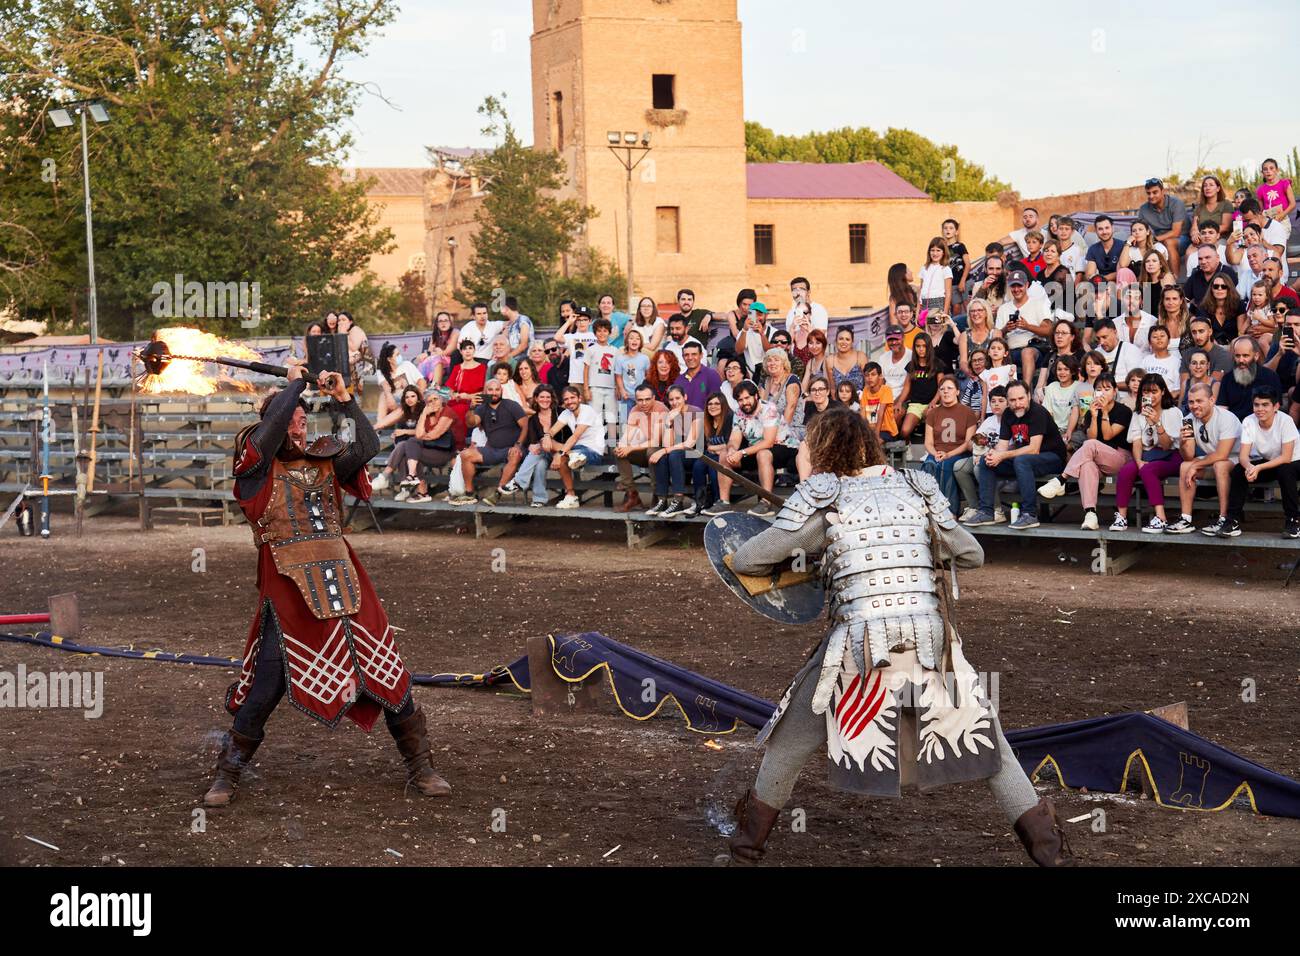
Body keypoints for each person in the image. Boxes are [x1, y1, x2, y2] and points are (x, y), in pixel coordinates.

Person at [724, 407, 1070, 867]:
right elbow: (972, 554)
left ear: (825, 448)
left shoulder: (825, 498)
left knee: (789, 742)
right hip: (932, 640)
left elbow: (748, 559)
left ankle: (746, 851)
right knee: (989, 742)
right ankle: (1051, 854)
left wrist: (808, 552)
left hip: (859, 646)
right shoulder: (917, 486)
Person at [207, 367, 450, 807]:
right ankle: (227, 773)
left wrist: (343, 398)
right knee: (268, 682)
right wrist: (295, 382)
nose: (300, 424)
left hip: (344, 578)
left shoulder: (323, 460)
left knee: (387, 671)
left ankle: (422, 767)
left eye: (304, 419)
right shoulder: (255, 466)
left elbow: (369, 446)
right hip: (288, 588)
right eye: (293, 419)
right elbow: (271, 430)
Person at [964, 380, 1067, 530]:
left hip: (1052, 458)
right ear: (1008, 400)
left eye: (1021, 399)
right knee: (986, 462)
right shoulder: (1008, 414)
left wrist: (1003, 455)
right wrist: (993, 455)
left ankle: (1029, 514)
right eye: (1012, 400)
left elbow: (1034, 449)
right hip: (1024, 460)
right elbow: (1003, 445)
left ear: (1029, 396)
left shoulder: (1038, 412)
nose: (1017, 403)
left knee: (1021, 461)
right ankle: (987, 511)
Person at [1037, 374, 1133, 530]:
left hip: (1120, 458)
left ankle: (1061, 479)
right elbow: (1092, 436)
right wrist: (1094, 416)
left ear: (1115, 391)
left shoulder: (1123, 411)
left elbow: (1108, 435)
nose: (1103, 393)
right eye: (1099, 389)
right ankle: (1090, 514)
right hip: (1097, 459)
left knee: (1091, 445)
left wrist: (1106, 413)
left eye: (1107, 389)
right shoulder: (1091, 412)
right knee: (1087, 465)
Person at [707, 381, 798, 517]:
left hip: (784, 447)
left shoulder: (769, 409)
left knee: (763, 454)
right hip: (755, 449)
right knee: (725, 454)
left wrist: (742, 452)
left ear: (755, 396)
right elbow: (734, 439)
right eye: (740, 400)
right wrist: (732, 450)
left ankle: (766, 502)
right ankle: (724, 502)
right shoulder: (739, 413)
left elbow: (768, 442)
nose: (744, 403)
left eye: (747, 398)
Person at [1220, 387, 1300, 538]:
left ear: (1275, 406)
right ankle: (1232, 521)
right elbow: (1243, 456)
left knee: (1285, 470)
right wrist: (1250, 467)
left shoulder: (1285, 420)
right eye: (1256, 405)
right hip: (1271, 462)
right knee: (1239, 471)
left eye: (1265, 405)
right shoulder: (1249, 421)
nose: (1260, 409)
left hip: (1295, 461)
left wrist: (1258, 467)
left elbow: (1286, 457)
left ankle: (1292, 521)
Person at [1109, 374, 1184, 533]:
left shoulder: (1173, 412)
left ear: (1163, 391)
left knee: (1147, 470)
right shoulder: (1138, 414)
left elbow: (1167, 446)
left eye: (1154, 392)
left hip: (1171, 456)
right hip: (1147, 455)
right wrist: (1138, 461)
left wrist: (1156, 422)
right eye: (1146, 392)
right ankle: (1121, 516)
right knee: (1127, 470)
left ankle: (1161, 517)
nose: (1150, 396)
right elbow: (1136, 442)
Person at [1164, 382, 1241, 535]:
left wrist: (1196, 466)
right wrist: (1183, 442)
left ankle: (1224, 518)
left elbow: (1222, 454)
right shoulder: (1188, 420)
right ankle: (1186, 519)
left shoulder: (1227, 418)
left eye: (1200, 401)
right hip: (1212, 459)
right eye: (1191, 401)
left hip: (1238, 460)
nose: (1194, 406)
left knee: (1219, 464)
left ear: (1212, 400)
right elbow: (1188, 456)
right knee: (1185, 465)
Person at [451, 378, 528, 506]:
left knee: (515, 454)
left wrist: (518, 444)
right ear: (485, 392)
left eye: (497, 389)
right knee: (465, 455)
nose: (494, 392)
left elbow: (525, 426)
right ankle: (470, 494)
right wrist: (471, 408)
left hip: (512, 448)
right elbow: (471, 423)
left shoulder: (511, 405)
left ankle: (498, 493)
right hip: (492, 449)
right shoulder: (482, 408)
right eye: (490, 390)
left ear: (501, 390)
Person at [540, 386, 607, 510]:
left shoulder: (587, 411)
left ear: (579, 398)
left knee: (562, 458)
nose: (569, 401)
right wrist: (547, 436)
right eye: (566, 399)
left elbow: (575, 436)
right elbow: (553, 429)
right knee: (545, 441)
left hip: (593, 451)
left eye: (572, 398)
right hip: (577, 448)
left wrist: (559, 454)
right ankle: (574, 457)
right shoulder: (566, 413)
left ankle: (570, 495)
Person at [645, 385, 702, 519]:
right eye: (671, 399)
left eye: (678, 398)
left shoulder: (695, 412)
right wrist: (668, 423)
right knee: (663, 457)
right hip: (678, 454)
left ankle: (678, 501)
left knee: (670, 454)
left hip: (697, 453)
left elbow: (690, 444)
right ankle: (662, 500)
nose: (675, 402)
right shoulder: (670, 415)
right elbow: (667, 444)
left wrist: (663, 450)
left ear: (685, 397)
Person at [922, 377, 977, 512]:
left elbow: (968, 442)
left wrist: (948, 455)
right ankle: (928, 509)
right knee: (929, 464)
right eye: (942, 389)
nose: (946, 392)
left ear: (958, 392)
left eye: (950, 388)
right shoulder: (933, 413)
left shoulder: (967, 412)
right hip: (937, 453)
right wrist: (935, 454)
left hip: (958, 453)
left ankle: (950, 511)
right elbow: (928, 442)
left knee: (947, 465)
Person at [955, 385, 1008, 522]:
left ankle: (997, 510)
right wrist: (978, 451)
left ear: (1008, 402)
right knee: (958, 467)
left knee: (981, 466)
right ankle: (974, 507)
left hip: (1003, 460)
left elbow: (1010, 447)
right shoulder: (989, 421)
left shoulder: (1012, 420)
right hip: (982, 456)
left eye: (1001, 401)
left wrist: (985, 455)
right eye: (993, 401)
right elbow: (971, 443)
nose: (996, 404)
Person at [612, 384, 667, 513]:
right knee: (620, 452)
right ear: (636, 400)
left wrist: (630, 448)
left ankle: (657, 496)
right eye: (640, 400)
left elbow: (656, 440)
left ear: (654, 398)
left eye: (647, 399)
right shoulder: (635, 410)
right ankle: (632, 495)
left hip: (663, 452)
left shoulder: (661, 409)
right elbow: (628, 434)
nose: (643, 403)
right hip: (644, 449)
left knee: (652, 450)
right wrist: (621, 446)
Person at [396, 392, 458, 504]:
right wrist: (424, 413)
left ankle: (416, 485)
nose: (433, 402)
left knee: (411, 447)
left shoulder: (447, 412)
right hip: (432, 449)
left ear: (442, 400)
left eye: (436, 399)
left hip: (446, 452)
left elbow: (434, 434)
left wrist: (423, 436)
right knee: (411, 450)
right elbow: (419, 434)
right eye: (430, 401)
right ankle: (417, 485)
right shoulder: (428, 414)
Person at [995, 266, 1053, 383]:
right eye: (1013, 286)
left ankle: (1025, 391)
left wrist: (1027, 326)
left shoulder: (1038, 304)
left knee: (1026, 352)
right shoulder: (1004, 308)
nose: (1016, 289)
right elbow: (997, 335)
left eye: (1019, 285)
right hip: (1010, 350)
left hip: (1034, 349)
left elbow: (1049, 330)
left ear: (1026, 285)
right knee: (996, 353)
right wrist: (1006, 329)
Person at [513, 385, 561, 508]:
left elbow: (567, 436)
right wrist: (532, 446)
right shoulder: (533, 419)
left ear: (552, 398)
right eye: (541, 397)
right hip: (544, 453)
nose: (545, 400)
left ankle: (519, 481)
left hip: (561, 451)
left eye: (548, 397)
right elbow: (533, 441)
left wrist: (557, 453)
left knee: (540, 448)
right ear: (536, 398)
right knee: (539, 462)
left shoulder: (559, 413)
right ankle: (539, 499)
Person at [370, 385, 423, 492]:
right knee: (402, 449)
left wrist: (404, 432)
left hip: (421, 443)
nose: (410, 399)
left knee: (402, 446)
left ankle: (384, 476)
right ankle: (405, 490)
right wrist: (395, 433)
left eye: (413, 396)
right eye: (407, 397)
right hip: (407, 443)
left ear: (418, 398)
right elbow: (387, 422)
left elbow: (423, 432)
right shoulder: (404, 410)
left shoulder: (423, 410)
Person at [1218, 336, 1283, 421]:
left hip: (1261, 427)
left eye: (1245, 356)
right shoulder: (1227, 378)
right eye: (1237, 356)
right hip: (1234, 428)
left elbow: (1276, 409)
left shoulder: (1270, 377)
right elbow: (1222, 409)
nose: (1241, 360)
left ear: (1256, 356)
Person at [692, 392, 733, 512]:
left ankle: (718, 501)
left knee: (713, 467)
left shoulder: (729, 418)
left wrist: (713, 448)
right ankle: (700, 501)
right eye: (710, 404)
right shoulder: (706, 421)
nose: (712, 406)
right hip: (712, 455)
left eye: (716, 403)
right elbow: (705, 445)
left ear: (723, 405)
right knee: (698, 466)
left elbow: (730, 444)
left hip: (727, 455)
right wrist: (715, 448)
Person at [443, 339, 487, 449]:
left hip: (474, 399)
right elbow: (450, 389)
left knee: (460, 409)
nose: (467, 351)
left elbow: (485, 391)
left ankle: (459, 445)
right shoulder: (458, 368)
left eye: (470, 348)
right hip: (458, 399)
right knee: (444, 407)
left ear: (474, 351)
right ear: (461, 352)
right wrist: (454, 395)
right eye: (464, 349)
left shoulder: (482, 368)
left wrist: (467, 396)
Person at [1137, 177, 1187, 274]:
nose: (1151, 196)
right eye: (1148, 193)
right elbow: (1140, 228)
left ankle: (1174, 281)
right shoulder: (1144, 209)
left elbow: (1176, 232)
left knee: (1169, 242)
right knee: (1141, 247)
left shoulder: (1176, 203)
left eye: (1155, 192)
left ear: (1163, 191)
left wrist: (1154, 239)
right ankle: (1148, 285)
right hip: (1160, 240)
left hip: (1182, 238)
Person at [581, 316, 620, 438]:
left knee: (612, 417)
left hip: (611, 388)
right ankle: (597, 443)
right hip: (595, 387)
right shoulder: (590, 350)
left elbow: (617, 371)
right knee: (595, 417)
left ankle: (612, 445)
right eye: (599, 331)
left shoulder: (615, 350)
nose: (602, 333)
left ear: (609, 332)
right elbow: (586, 370)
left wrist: (618, 387)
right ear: (595, 333)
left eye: (605, 331)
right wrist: (586, 389)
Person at [897, 332, 939, 441]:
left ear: (929, 347)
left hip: (932, 404)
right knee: (905, 431)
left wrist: (933, 403)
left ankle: (930, 449)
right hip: (915, 404)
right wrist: (900, 402)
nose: (921, 349)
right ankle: (907, 446)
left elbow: (941, 387)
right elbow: (907, 387)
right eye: (918, 346)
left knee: (931, 417)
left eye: (924, 346)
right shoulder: (911, 365)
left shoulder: (937, 364)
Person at [1041, 354, 1084, 448]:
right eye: (1059, 369)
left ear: (1072, 371)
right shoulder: (1052, 387)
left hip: (1073, 431)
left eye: (1066, 369)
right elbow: (1048, 413)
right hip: (1054, 429)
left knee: (1064, 446)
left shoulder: (1079, 387)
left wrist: (1068, 432)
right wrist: (1053, 432)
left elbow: (1076, 413)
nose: (1062, 372)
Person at [614, 327, 650, 426]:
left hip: (641, 397)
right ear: (627, 341)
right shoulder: (621, 358)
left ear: (641, 342)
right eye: (631, 338)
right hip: (627, 396)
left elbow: (648, 375)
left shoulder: (645, 358)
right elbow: (618, 376)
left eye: (637, 338)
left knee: (641, 422)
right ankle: (624, 439)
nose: (634, 340)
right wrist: (622, 390)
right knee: (625, 422)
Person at [555, 303, 597, 387]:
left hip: (593, 379)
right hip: (576, 379)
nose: (582, 322)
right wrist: (569, 321)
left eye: (585, 319)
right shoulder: (571, 337)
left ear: (590, 321)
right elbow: (557, 337)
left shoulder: (596, 336)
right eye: (579, 320)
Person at [676, 340, 724, 411]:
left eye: (694, 354)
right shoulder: (679, 380)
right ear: (683, 357)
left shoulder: (711, 375)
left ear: (701, 355)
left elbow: (717, 403)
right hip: (685, 420)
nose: (690, 358)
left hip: (706, 420)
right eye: (686, 355)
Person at [1093, 318, 1143, 384]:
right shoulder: (1096, 352)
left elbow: (1137, 383)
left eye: (1104, 337)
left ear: (1115, 332)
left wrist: (1110, 385)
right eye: (1098, 339)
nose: (1101, 342)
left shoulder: (1130, 350)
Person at [958, 297, 997, 379]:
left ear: (986, 313)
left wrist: (985, 376)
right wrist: (971, 373)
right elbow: (963, 362)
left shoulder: (995, 333)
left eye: (979, 310)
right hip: (970, 375)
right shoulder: (964, 335)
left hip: (991, 375)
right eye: (972, 311)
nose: (975, 313)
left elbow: (997, 359)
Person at [1256, 158, 1296, 239]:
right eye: (1265, 169)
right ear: (1262, 173)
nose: (1268, 171)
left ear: (1277, 170)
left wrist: (1281, 215)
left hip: (1283, 220)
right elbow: (1261, 210)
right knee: (1269, 246)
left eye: (1271, 168)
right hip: (1268, 221)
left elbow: (1293, 204)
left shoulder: (1284, 184)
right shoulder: (1260, 189)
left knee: (1280, 243)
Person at [859, 362, 898, 441]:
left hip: (886, 431)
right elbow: (863, 414)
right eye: (867, 375)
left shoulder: (886, 390)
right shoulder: (865, 391)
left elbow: (881, 413)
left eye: (873, 374)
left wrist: (876, 435)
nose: (870, 378)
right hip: (871, 430)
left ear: (880, 376)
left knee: (873, 442)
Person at [1141, 325, 1182, 400]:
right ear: (1149, 343)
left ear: (1169, 341)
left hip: (1166, 402)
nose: (1159, 338)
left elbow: (1177, 390)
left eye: (1162, 336)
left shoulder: (1176, 362)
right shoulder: (1145, 361)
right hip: (1146, 401)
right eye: (1155, 337)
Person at [978, 338, 1017, 417]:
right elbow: (984, 397)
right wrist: (982, 417)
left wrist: (1011, 376)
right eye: (993, 348)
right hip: (990, 410)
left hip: (1006, 408)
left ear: (1005, 353)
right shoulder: (984, 373)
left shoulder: (1010, 368)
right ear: (988, 352)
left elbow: (1014, 389)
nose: (995, 351)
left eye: (999, 349)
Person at [1191, 175, 1233, 245]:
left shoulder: (1226, 204)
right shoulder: (1199, 207)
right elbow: (1194, 227)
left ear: (1218, 188)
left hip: (1220, 238)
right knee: (1189, 252)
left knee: (1211, 249)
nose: (1207, 188)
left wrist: (1207, 233)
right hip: (1202, 238)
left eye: (1211, 185)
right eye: (1205, 186)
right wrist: (1194, 235)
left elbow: (1226, 227)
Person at [420, 311, 459, 386]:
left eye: (446, 320)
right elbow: (429, 351)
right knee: (422, 359)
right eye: (440, 321)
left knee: (437, 359)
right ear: (437, 324)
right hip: (438, 360)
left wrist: (436, 352)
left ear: (450, 322)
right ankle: (422, 385)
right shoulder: (435, 334)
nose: (443, 323)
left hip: (452, 362)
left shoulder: (455, 332)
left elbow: (447, 352)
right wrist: (426, 354)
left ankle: (435, 386)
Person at [830, 325, 871, 396]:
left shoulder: (860, 356)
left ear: (852, 342)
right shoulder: (830, 360)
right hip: (840, 403)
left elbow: (868, 383)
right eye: (841, 339)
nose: (844, 342)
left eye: (847, 339)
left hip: (860, 401)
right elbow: (832, 389)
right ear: (836, 341)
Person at [918, 237, 953, 315]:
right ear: (929, 252)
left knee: (936, 326)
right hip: (924, 303)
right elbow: (920, 290)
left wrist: (945, 312)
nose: (935, 253)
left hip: (938, 303)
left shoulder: (945, 269)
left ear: (943, 252)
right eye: (932, 250)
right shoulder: (924, 268)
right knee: (925, 326)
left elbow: (948, 293)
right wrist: (918, 312)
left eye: (938, 250)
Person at [1084, 214, 1123, 283]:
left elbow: (1123, 271)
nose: (1104, 232)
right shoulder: (1093, 249)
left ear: (1112, 228)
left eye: (1107, 228)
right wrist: (1096, 279)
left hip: (1120, 282)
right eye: (1100, 229)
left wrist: (1101, 279)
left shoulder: (1123, 246)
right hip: (1100, 284)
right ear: (1096, 231)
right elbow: (1090, 274)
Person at [942, 219, 969, 310]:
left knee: (967, 305)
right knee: (956, 307)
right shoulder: (942, 248)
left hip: (964, 280)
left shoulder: (960, 246)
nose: (948, 230)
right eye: (945, 228)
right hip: (951, 283)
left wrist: (962, 281)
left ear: (956, 232)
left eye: (951, 228)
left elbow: (968, 264)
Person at [501, 296, 534, 362]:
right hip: (513, 357)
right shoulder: (509, 324)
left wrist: (508, 357)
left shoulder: (523, 320)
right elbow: (503, 340)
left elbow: (524, 345)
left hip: (524, 358)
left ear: (506, 308)